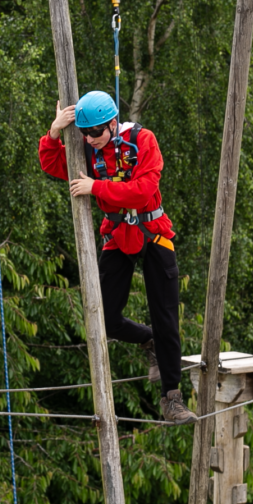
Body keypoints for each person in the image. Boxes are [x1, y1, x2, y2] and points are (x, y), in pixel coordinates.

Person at [39, 91, 194, 424]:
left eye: (96, 131)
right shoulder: (86, 149)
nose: (90, 139)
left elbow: (143, 190)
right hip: (119, 235)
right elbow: (53, 165)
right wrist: (54, 133)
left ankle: (172, 399)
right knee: (103, 317)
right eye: (84, 133)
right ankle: (146, 339)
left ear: (112, 123)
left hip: (153, 231)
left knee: (166, 319)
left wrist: (96, 188)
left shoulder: (142, 141)